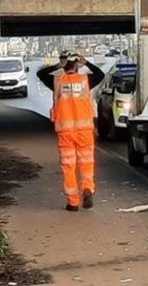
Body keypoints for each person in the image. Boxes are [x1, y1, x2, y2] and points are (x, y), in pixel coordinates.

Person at [36, 51, 106, 211]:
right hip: (85, 131)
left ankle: (73, 202)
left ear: (63, 63)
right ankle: (87, 188)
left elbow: (40, 73)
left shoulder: (57, 81)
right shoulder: (86, 80)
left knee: (68, 166)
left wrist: (58, 65)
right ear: (76, 65)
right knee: (87, 163)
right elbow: (100, 74)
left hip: (65, 132)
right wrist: (86, 62)